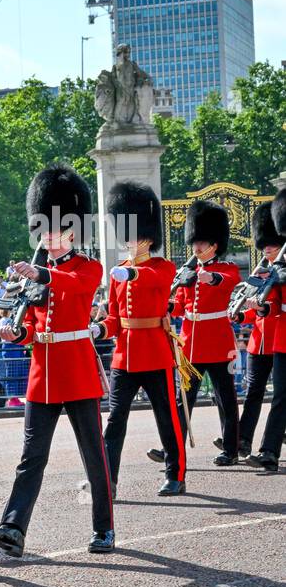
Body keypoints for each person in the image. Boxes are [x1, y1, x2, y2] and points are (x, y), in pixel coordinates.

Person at [0, 165, 114, 558]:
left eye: (55, 231)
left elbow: (76, 288)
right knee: (31, 459)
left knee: (93, 457)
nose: (48, 237)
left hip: (77, 372)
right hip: (42, 374)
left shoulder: (88, 267)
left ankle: (104, 528)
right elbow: (30, 326)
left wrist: (42, 275)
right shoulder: (35, 277)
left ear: (73, 232)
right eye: (44, 231)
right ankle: (13, 527)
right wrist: (15, 333)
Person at [100, 181, 187, 496]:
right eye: (126, 238)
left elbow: (154, 279)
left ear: (148, 239)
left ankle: (175, 473)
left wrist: (133, 272)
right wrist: (99, 330)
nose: (129, 243)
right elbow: (113, 316)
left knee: (167, 418)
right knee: (114, 422)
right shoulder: (118, 272)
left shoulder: (163, 266)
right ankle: (107, 480)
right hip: (124, 356)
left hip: (155, 353)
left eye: (134, 238)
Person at [147, 201, 241, 467]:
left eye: (202, 242)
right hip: (190, 345)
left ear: (215, 244)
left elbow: (223, 281)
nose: (197, 247)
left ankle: (231, 449)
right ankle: (173, 449)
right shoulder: (187, 273)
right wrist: (164, 306)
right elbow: (180, 306)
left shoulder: (226, 268)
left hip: (218, 343)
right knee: (183, 400)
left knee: (225, 398)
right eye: (195, 242)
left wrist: (203, 276)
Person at [235, 203, 283, 459]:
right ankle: (242, 440)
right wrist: (244, 313)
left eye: (272, 243)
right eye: (265, 243)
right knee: (254, 391)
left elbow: (275, 305)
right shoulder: (261, 269)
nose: (267, 247)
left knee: (281, 393)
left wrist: (263, 309)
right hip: (259, 340)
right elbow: (256, 303)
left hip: (278, 338)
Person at [246, 189, 286, 473]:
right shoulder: (274, 268)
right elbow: (274, 306)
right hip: (282, 336)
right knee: (281, 394)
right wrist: (260, 309)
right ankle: (268, 450)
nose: (267, 248)